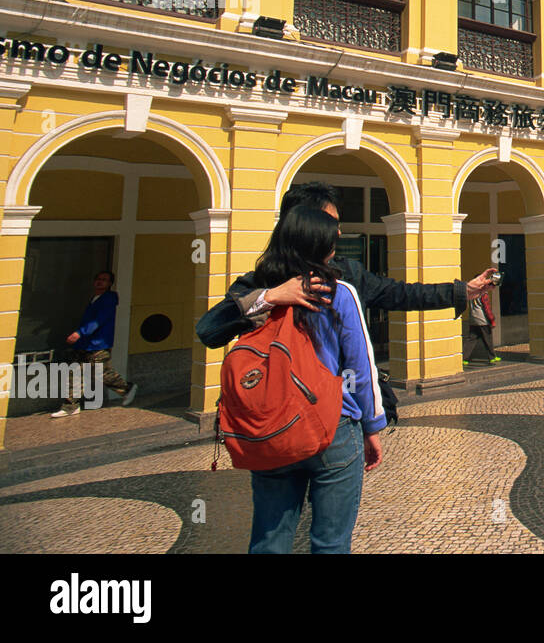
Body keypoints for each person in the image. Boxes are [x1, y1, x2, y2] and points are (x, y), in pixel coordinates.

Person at [196, 183, 496, 417]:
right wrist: (272, 297)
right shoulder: (262, 279)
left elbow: (401, 293)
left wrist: (464, 291)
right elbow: (210, 330)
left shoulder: (347, 274)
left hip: (338, 414)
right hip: (278, 418)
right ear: (300, 224)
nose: (338, 231)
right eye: (330, 222)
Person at [230, 207, 385, 554]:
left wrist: (267, 298)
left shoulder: (262, 296)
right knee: (330, 542)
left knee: (270, 540)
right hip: (333, 427)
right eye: (333, 237)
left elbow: (219, 327)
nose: (338, 242)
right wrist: (372, 426)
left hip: (273, 425)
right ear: (319, 244)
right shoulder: (338, 293)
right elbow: (360, 366)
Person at [52, 271, 138, 418]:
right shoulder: (95, 298)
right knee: (75, 373)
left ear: (110, 283)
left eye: (104, 280)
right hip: (85, 344)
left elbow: (98, 320)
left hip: (98, 344)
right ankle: (70, 406)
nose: (100, 282)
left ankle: (127, 388)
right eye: (98, 279)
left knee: (101, 372)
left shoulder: (108, 299)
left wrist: (80, 332)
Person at [463, 293, 501, 366]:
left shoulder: (471, 294)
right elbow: (487, 308)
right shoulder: (483, 294)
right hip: (483, 320)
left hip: (473, 319)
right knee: (488, 339)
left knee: (471, 340)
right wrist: (492, 320)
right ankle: (492, 358)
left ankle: (464, 358)